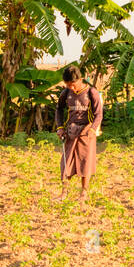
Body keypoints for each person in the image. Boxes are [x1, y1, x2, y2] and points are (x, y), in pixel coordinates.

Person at [54, 65, 103, 201]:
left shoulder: (91, 92)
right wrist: (60, 127)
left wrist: (93, 129)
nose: (71, 87)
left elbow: (99, 114)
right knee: (66, 162)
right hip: (70, 131)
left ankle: (83, 194)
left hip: (87, 132)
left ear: (80, 79)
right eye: (68, 85)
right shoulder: (65, 93)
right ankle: (64, 193)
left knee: (85, 162)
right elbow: (59, 110)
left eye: (73, 84)